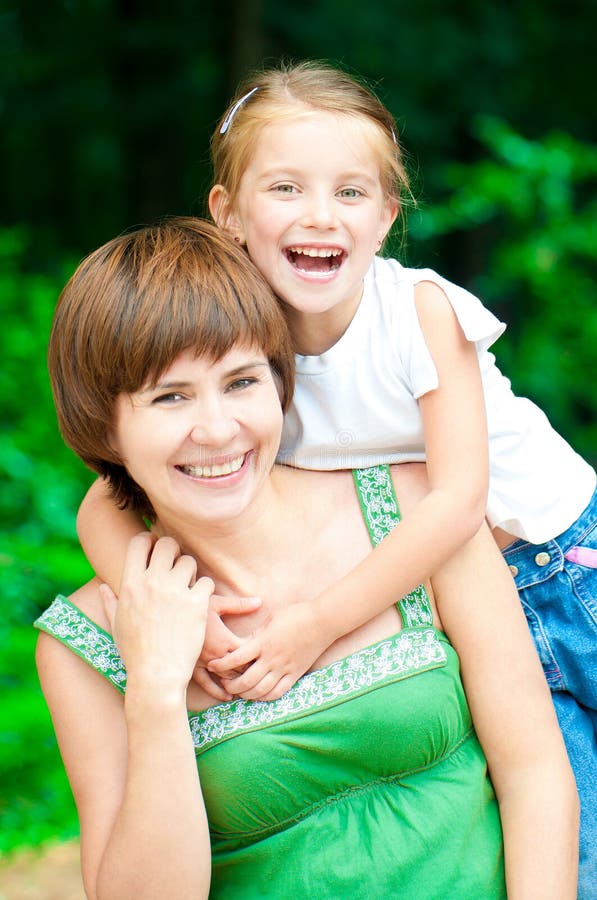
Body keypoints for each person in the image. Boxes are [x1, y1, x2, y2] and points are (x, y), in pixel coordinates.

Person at [77, 61, 597, 893]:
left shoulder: (417, 311)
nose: (320, 216)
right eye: (286, 188)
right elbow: (110, 495)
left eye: (351, 193)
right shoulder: (242, 351)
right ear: (228, 213)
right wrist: (175, 611)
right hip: (474, 590)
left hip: (562, 568)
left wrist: (313, 625)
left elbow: (458, 499)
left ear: (388, 217)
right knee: (573, 851)